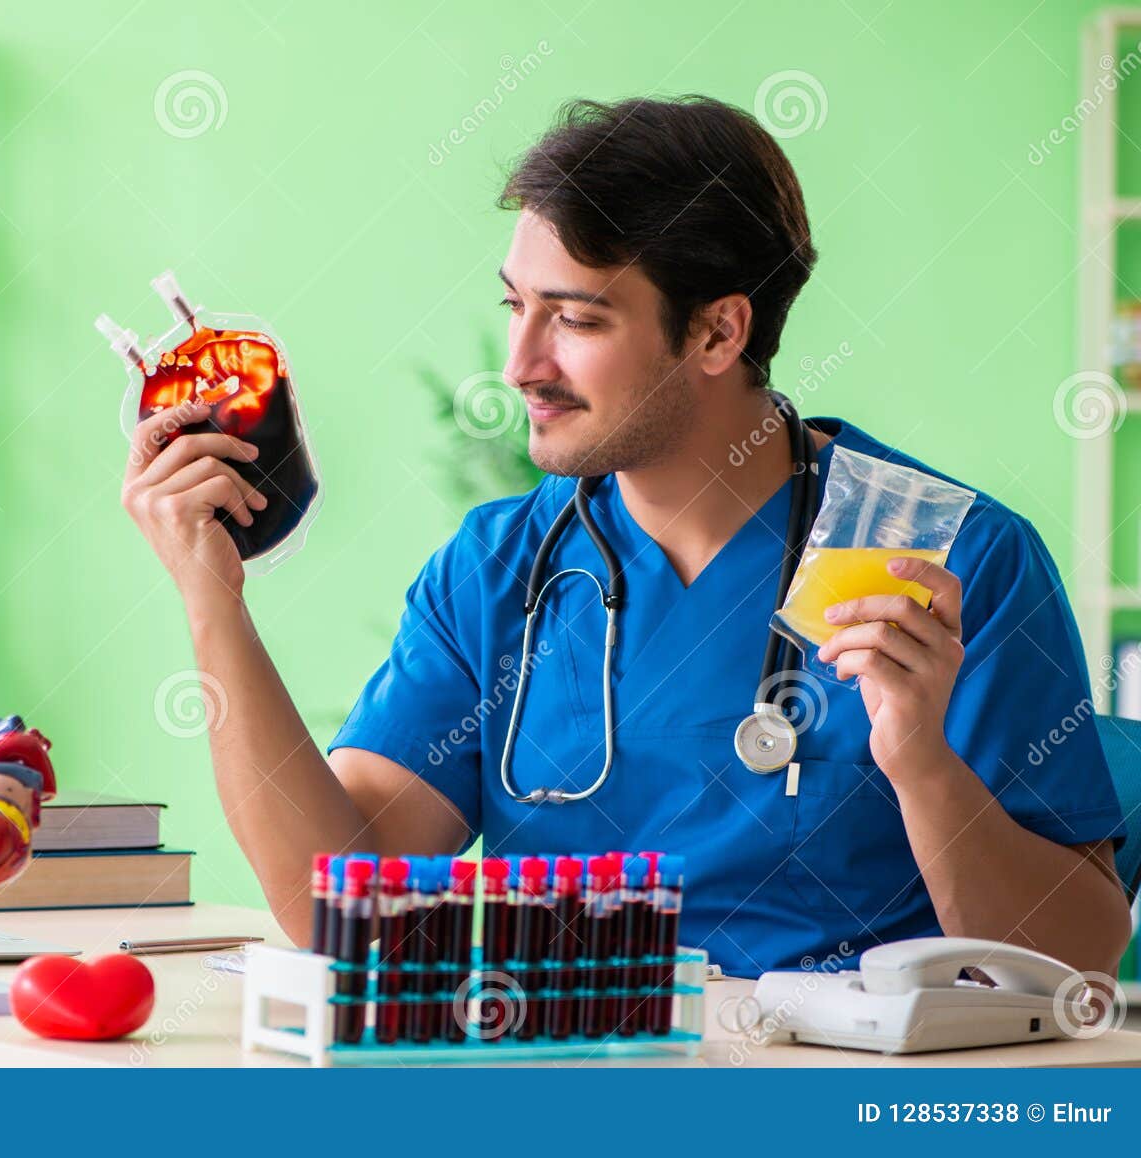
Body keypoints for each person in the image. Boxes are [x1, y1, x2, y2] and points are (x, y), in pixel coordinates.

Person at [120, 95, 1130, 978]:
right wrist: (212, 598)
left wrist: (920, 765)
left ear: (717, 333)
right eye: (516, 307)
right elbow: (334, 912)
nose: (519, 363)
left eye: (576, 321)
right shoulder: (499, 574)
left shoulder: (926, 555)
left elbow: (1080, 954)